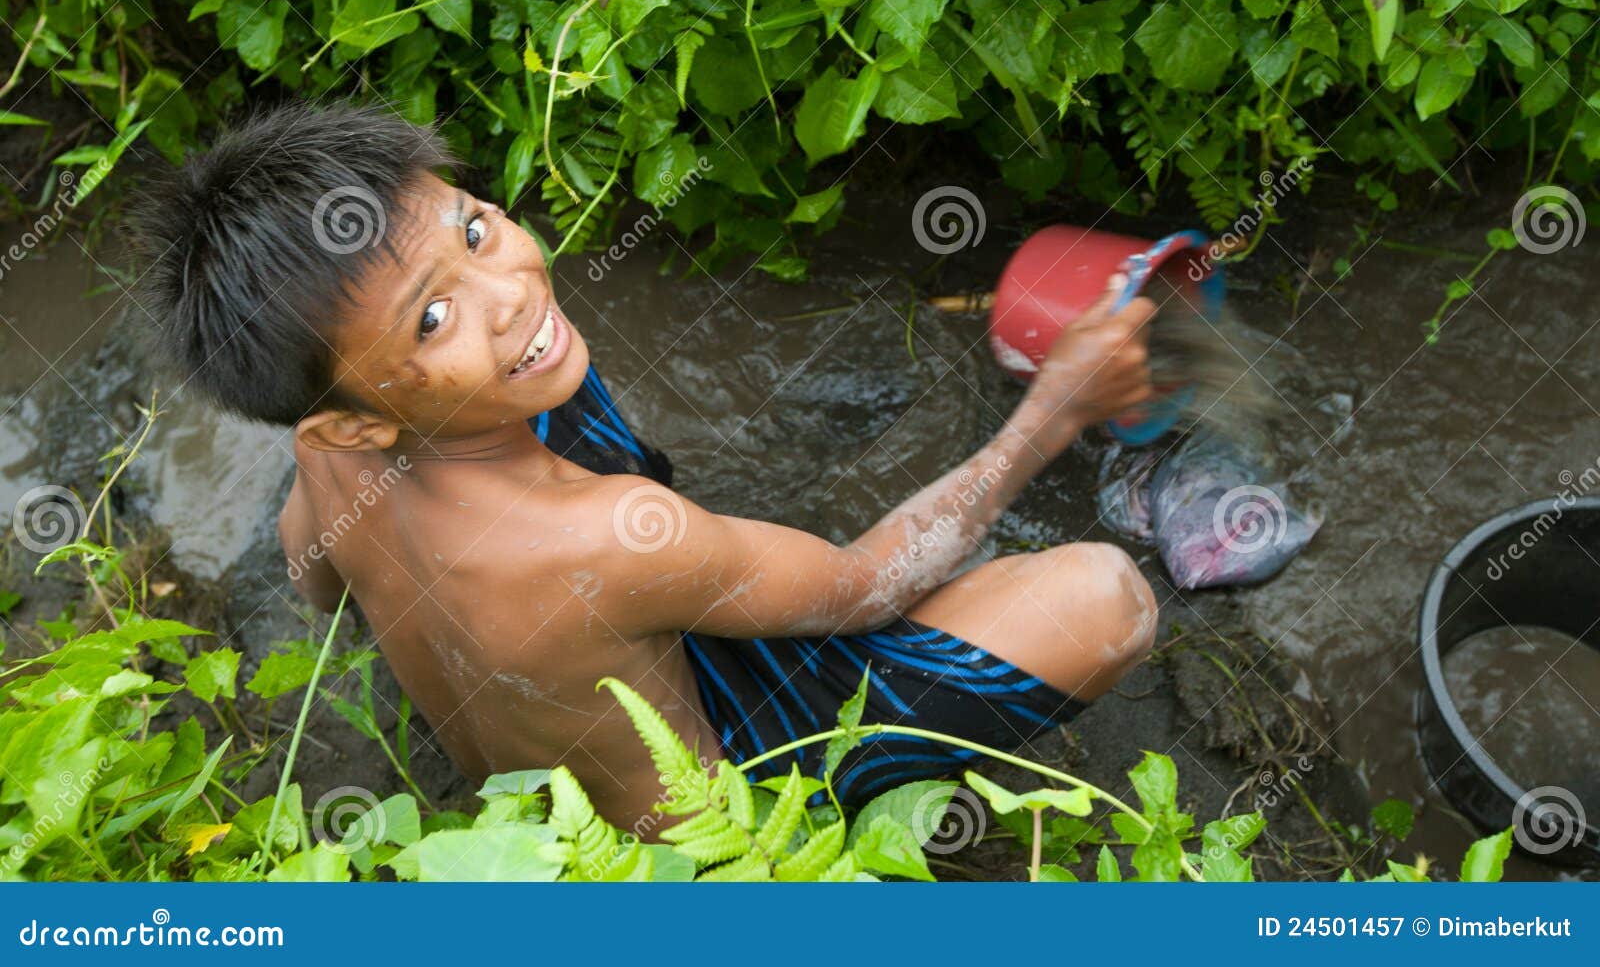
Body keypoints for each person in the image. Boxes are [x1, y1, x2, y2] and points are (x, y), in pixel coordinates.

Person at [131, 99, 1160, 832]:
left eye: (475, 228)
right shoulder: (609, 532)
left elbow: (309, 573)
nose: (511, 290)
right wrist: (1048, 412)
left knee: (557, 398)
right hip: (702, 836)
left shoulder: (332, 453)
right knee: (1103, 595)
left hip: (532, 792)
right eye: (434, 317)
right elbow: (865, 583)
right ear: (356, 421)